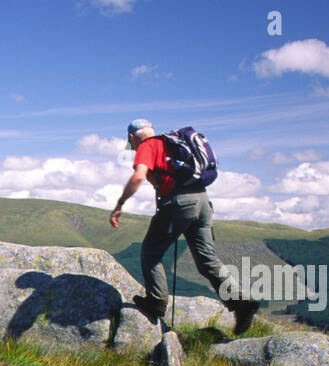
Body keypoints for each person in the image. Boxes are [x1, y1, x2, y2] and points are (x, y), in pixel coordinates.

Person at [109, 118, 260, 334]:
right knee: (207, 260)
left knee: (151, 252)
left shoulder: (149, 145)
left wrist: (119, 204)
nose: (132, 146)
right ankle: (242, 304)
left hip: (179, 204)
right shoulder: (172, 146)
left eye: (130, 142)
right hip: (203, 202)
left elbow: (138, 176)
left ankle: (157, 302)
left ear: (132, 137)